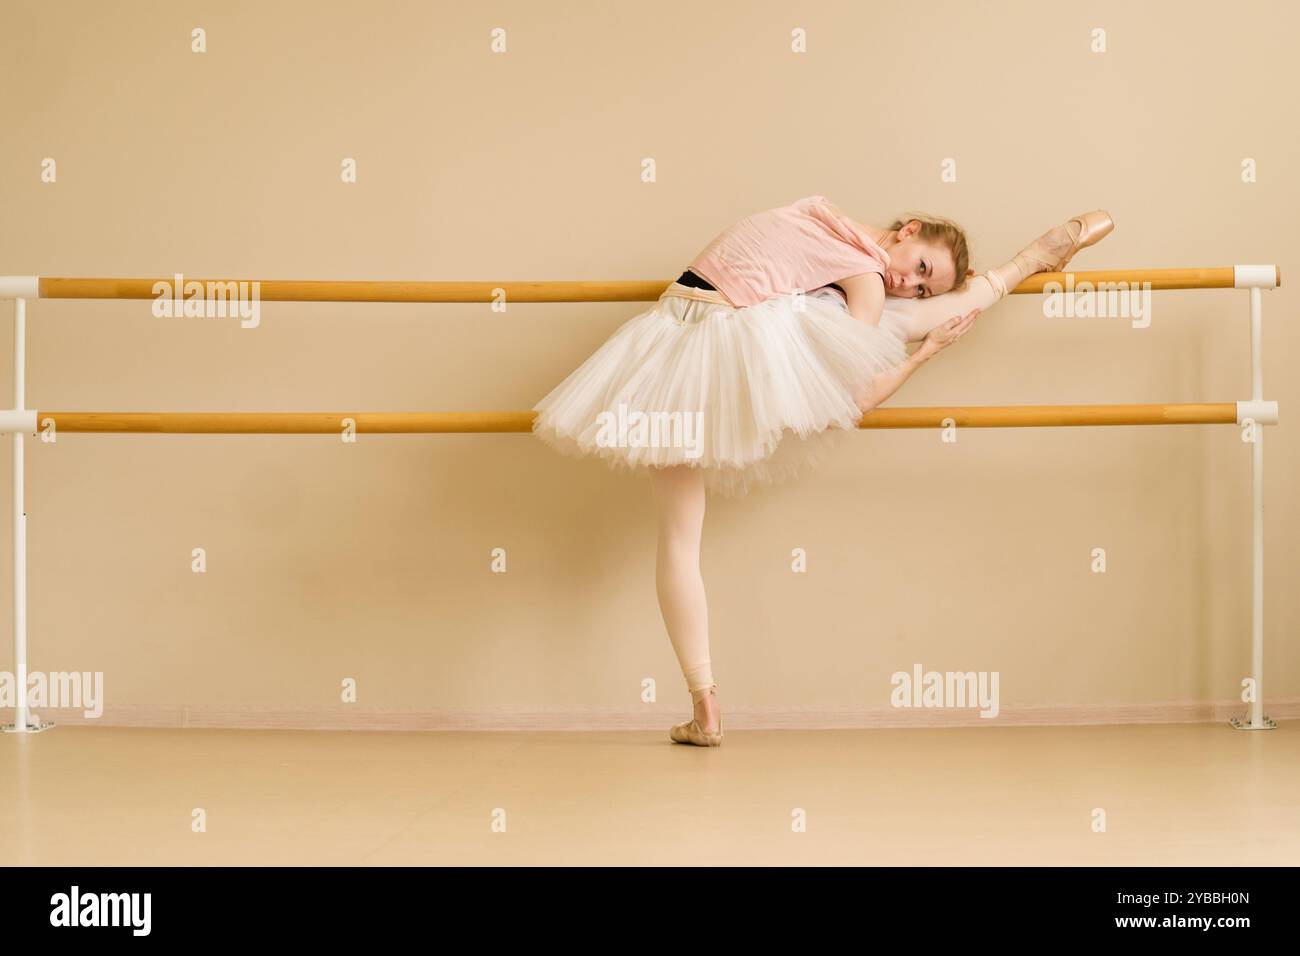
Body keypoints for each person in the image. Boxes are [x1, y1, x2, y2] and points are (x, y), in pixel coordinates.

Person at [531, 196, 1114, 746]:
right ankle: (1028, 261)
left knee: (679, 536)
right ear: (908, 229)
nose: (908, 283)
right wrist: (927, 352)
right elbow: (854, 398)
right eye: (919, 267)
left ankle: (705, 705)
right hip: (725, 342)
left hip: (670, 333)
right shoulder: (863, 273)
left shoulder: (819, 216)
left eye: (919, 284)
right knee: (903, 322)